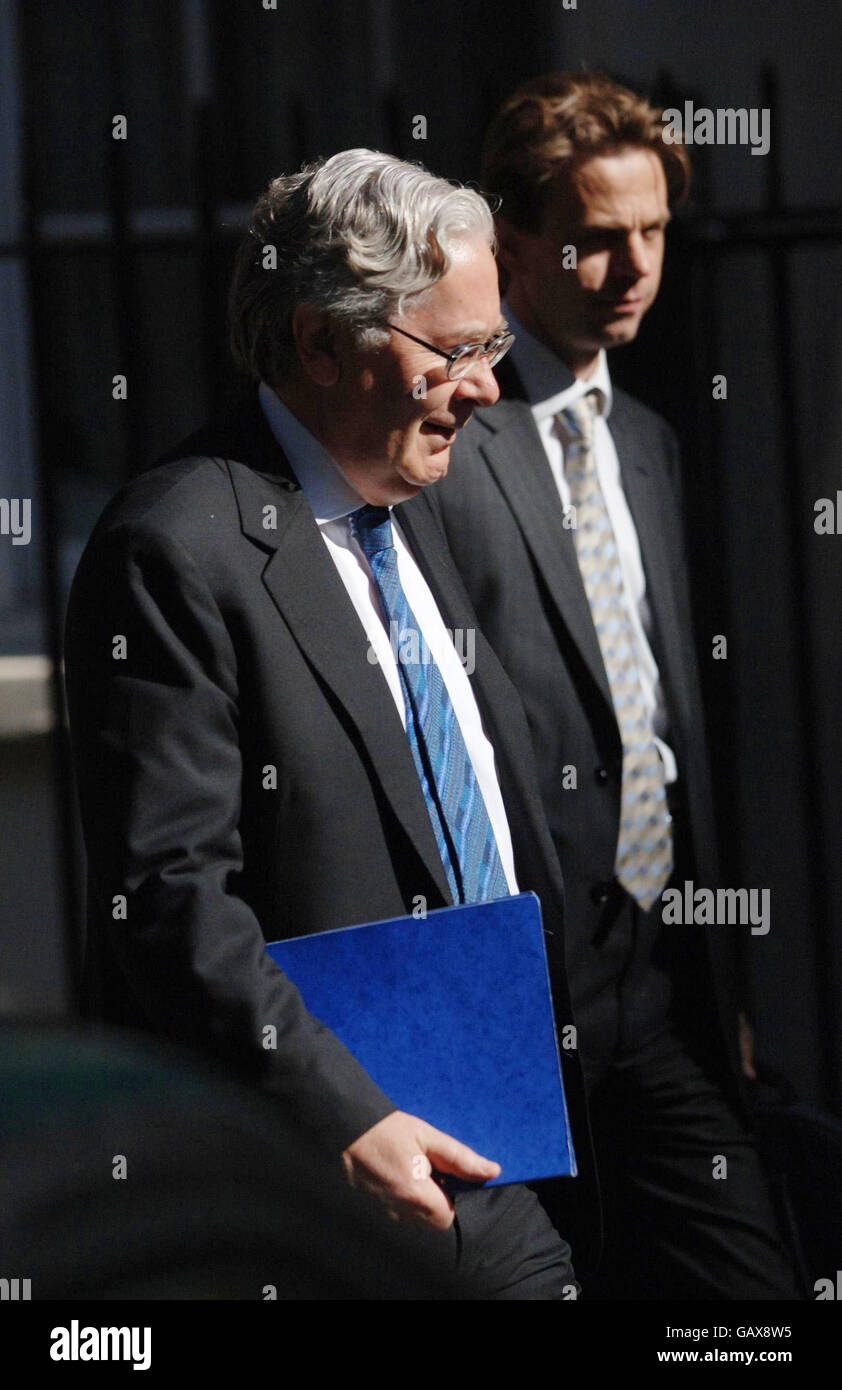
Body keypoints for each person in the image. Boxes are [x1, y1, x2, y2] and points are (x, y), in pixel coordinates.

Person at [63, 148, 596, 1300]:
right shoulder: (176, 546)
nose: (486, 387)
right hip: (328, 1190)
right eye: (453, 352)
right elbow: (169, 897)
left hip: (508, 1149)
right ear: (318, 343)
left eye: (493, 346)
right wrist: (346, 1121)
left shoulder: (419, 506)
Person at [418, 74, 798, 1298]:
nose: (631, 266)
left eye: (652, 233)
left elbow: (661, 723)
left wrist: (710, 988)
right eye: (594, 237)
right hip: (525, 988)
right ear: (517, 243)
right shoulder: (451, 442)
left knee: (745, 1290)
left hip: (661, 981)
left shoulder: (645, 442)